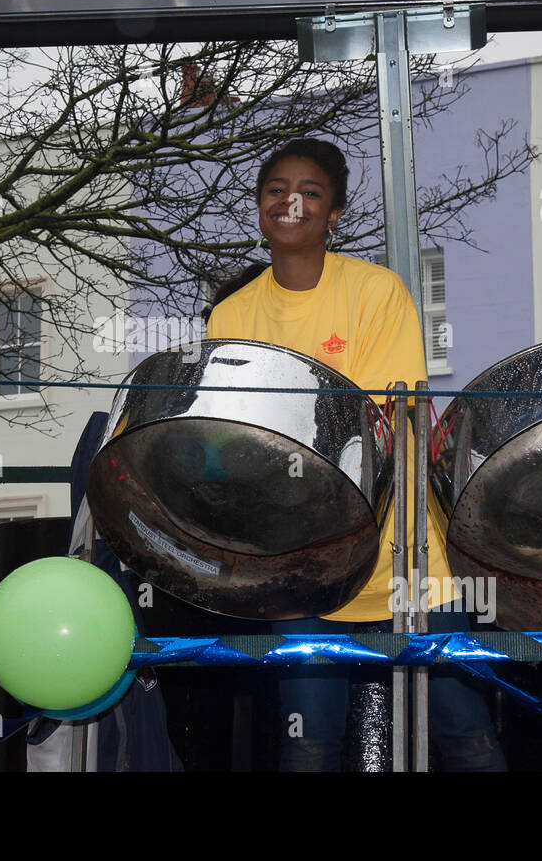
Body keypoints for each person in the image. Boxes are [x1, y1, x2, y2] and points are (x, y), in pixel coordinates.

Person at [205, 138, 505, 771]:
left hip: (407, 559)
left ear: (335, 213)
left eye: (310, 193)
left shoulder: (377, 292)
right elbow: (231, 442)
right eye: (276, 190)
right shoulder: (232, 314)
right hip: (300, 569)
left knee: (466, 734)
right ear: (259, 206)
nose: (291, 203)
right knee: (308, 743)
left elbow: (383, 427)